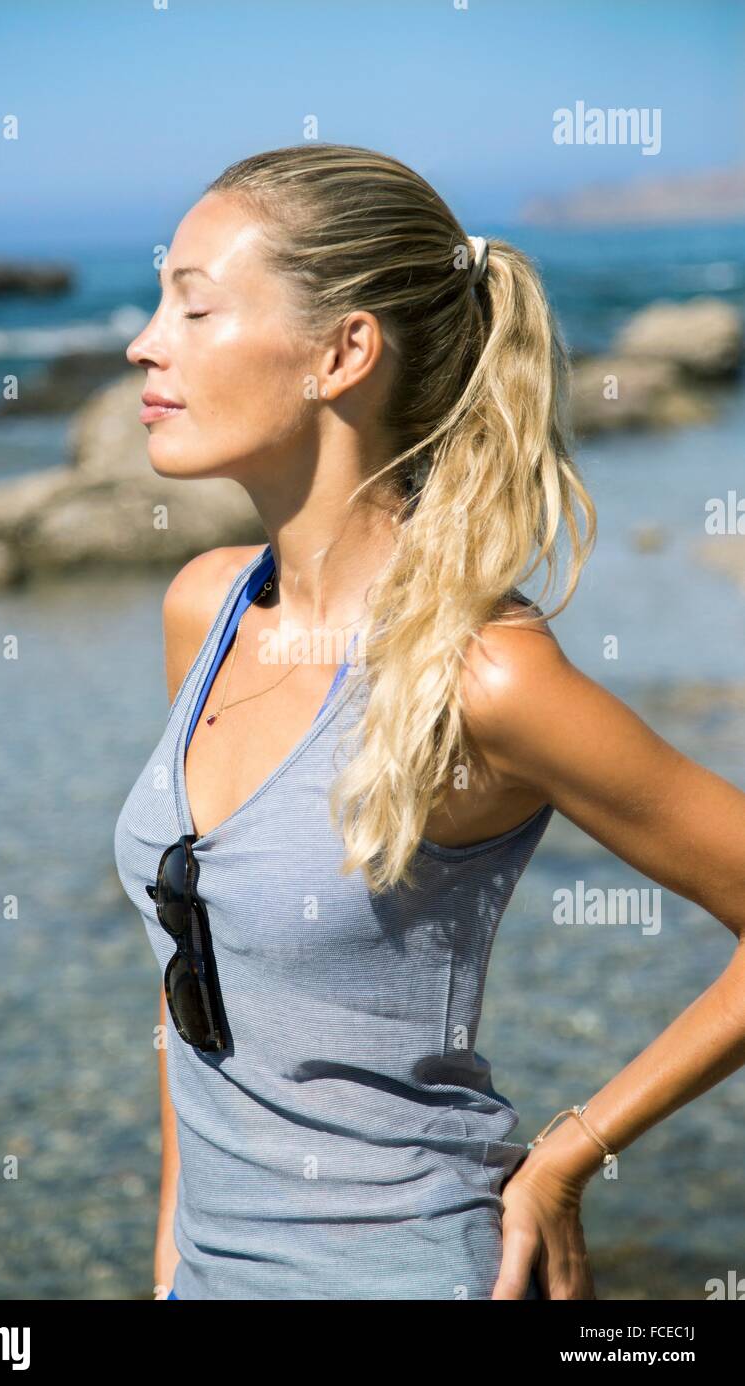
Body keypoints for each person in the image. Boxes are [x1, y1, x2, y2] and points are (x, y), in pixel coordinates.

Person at [114, 143, 745, 1301]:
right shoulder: (201, 608)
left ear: (342, 352)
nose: (142, 341)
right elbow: (193, 983)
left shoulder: (482, 678)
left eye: (193, 307)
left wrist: (567, 1152)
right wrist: (173, 1264)